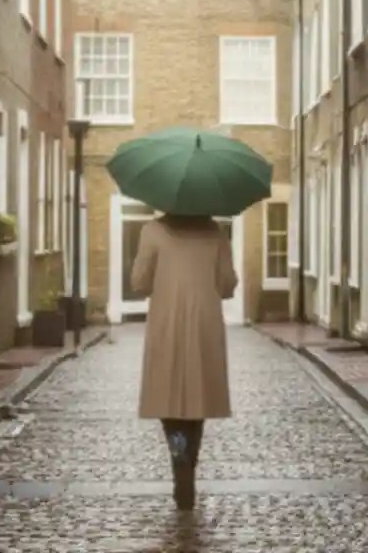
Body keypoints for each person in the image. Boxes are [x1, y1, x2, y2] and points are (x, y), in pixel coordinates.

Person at [130, 213, 238, 512]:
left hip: (167, 323)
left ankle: (180, 459)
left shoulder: (152, 230)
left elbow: (139, 283)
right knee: (197, 402)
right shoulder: (215, 232)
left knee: (170, 403)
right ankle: (189, 463)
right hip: (205, 323)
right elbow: (228, 285)